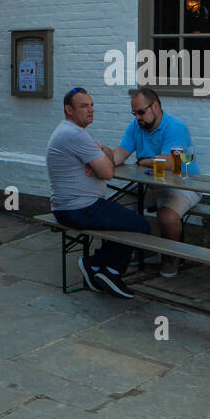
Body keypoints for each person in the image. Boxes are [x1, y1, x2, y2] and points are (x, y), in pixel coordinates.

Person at [46, 87, 152, 297]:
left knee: (123, 221)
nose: (91, 110)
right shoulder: (75, 134)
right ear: (69, 109)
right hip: (79, 208)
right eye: (84, 106)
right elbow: (108, 172)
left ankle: (98, 267)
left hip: (74, 206)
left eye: (92, 105)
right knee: (141, 225)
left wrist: (101, 159)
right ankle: (106, 269)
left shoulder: (73, 131)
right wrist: (101, 164)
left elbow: (108, 156)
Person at [111, 87, 201, 279]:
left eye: (141, 112)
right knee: (117, 208)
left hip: (184, 184)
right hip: (152, 183)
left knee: (167, 217)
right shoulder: (136, 126)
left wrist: (143, 161)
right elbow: (120, 153)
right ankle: (137, 250)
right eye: (134, 113)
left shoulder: (175, 126)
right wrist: (101, 160)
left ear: (156, 107)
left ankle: (170, 259)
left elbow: (168, 161)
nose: (137, 117)